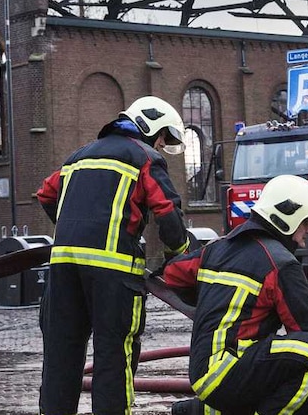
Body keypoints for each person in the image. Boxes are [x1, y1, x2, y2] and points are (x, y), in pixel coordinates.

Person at [35, 96, 192, 415]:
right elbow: (167, 211)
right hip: (114, 278)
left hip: (63, 270)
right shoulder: (145, 157)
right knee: (113, 359)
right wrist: (181, 258)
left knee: (60, 357)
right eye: (163, 138)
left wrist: (73, 230)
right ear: (151, 128)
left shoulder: (77, 157)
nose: (162, 146)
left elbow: (46, 193)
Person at [162, 174, 308, 415]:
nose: (305, 237)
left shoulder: (216, 248)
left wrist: (210, 299)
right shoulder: (280, 264)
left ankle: (198, 411)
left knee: (280, 362)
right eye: (305, 225)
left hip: (203, 372)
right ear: (287, 218)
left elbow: (173, 273)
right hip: (229, 372)